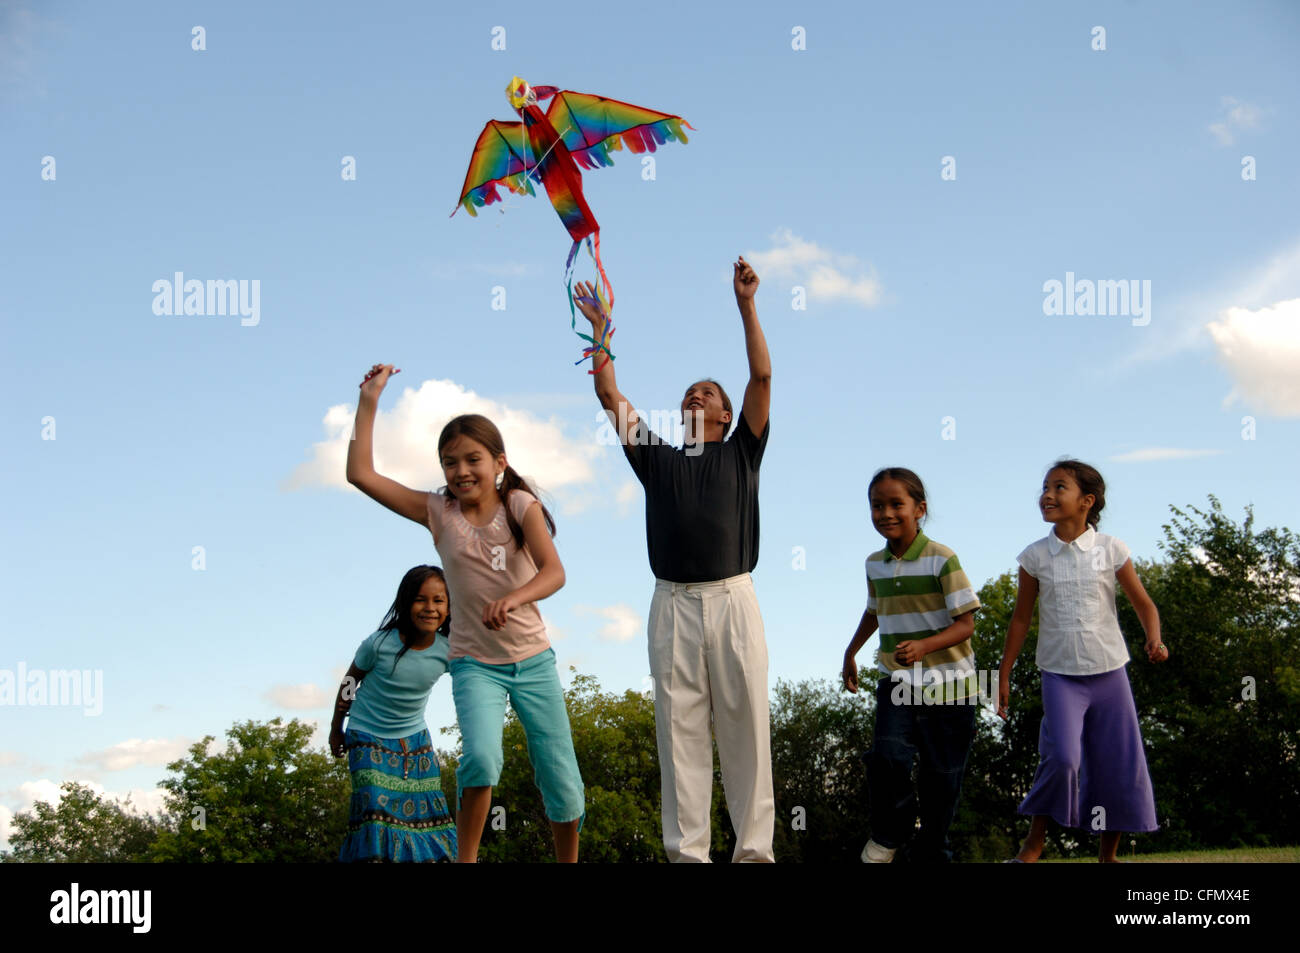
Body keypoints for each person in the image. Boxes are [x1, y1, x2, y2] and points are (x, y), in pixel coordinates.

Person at [572, 256, 773, 863]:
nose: (696, 393)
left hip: (733, 599)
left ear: (724, 415)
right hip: (672, 606)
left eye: (708, 392)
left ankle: (755, 856)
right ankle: (687, 858)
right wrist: (601, 336)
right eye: (688, 390)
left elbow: (761, 378)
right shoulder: (656, 458)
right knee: (679, 737)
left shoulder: (742, 452)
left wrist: (745, 305)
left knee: (747, 737)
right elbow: (609, 394)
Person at [346, 366, 585, 863]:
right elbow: (361, 475)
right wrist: (368, 403)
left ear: (499, 462)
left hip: (533, 662)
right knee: (480, 760)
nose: (460, 471)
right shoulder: (439, 513)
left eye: (472, 459)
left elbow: (555, 572)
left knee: (561, 776)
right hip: (475, 664)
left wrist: (514, 598)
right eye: (449, 462)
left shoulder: (520, 505)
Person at [998, 459, 1168, 863]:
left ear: (1086, 501)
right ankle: (1032, 846)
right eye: (1045, 486)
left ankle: (1107, 856)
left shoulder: (1111, 549)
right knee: (1061, 758)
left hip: (1110, 673)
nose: (1048, 494)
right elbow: (1021, 620)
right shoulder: (1034, 557)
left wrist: (1154, 638)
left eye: (1060, 487)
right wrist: (1003, 673)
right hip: (1060, 676)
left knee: (1116, 763)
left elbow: (1143, 604)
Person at [842, 468, 981, 863]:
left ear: (919, 509)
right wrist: (851, 652)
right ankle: (892, 831)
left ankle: (934, 849)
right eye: (876, 505)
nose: (885, 513)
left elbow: (966, 623)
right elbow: (874, 611)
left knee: (942, 777)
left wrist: (924, 645)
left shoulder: (942, 559)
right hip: (897, 680)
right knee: (887, 755)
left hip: (951, 685)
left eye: (895, 504)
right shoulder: (874, 564)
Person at [331, 565, 458, 863]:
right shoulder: (377, 644)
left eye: (439, 601)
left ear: (450, 607)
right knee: (377, 814)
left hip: (414, 741)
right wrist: (336, 728)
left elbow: (473, 680)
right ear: (405, 603)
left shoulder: (448, 650)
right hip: (366, 736)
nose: (430, 608)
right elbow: (349, 684)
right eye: (420, 600)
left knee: (428, 816)